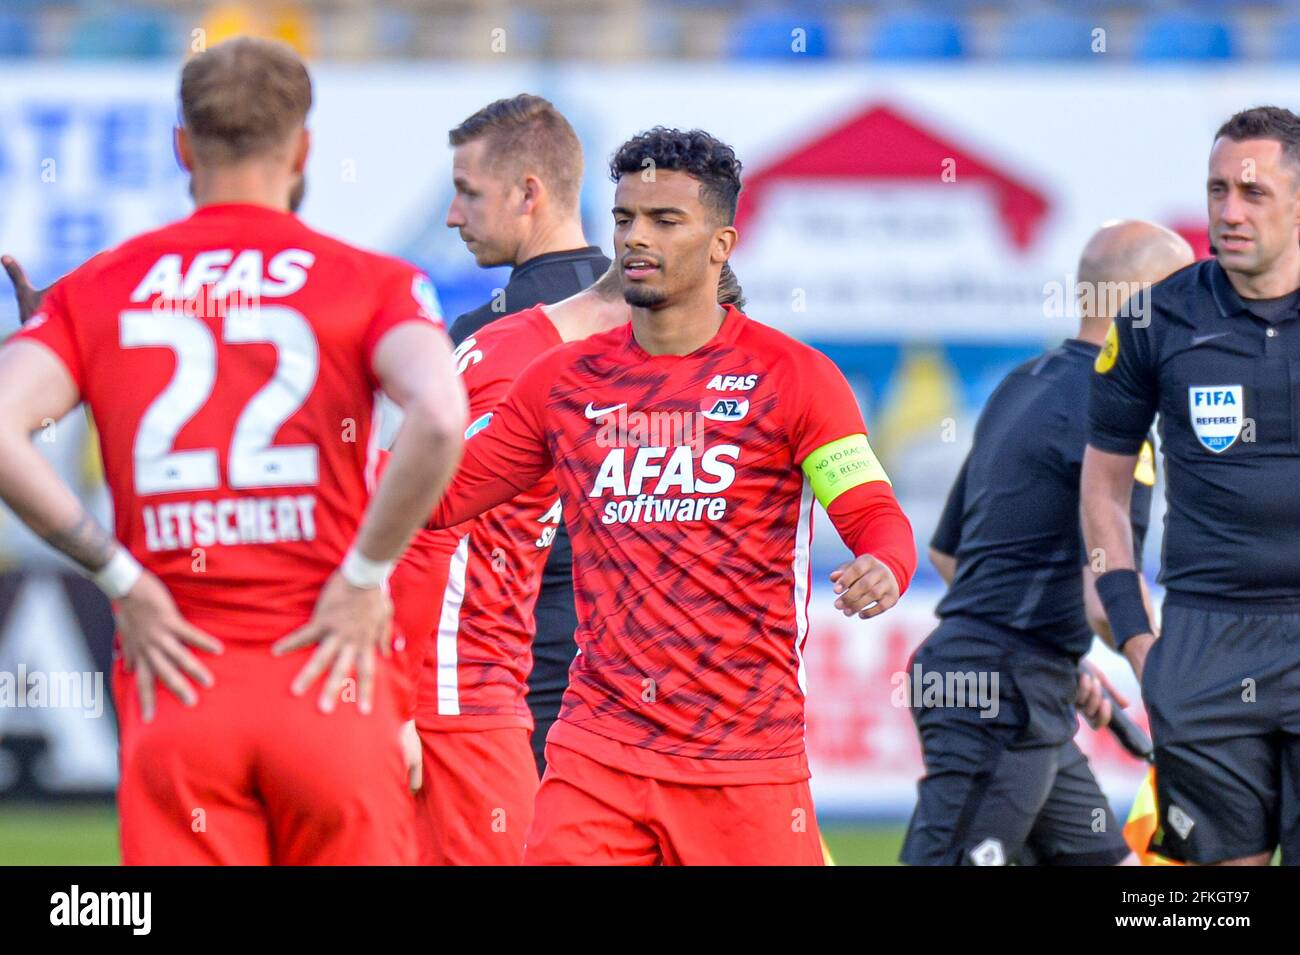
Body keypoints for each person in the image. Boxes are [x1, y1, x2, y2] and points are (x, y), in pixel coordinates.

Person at [0, 37, 466, 864]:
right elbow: (437, 415)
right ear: (304, 148)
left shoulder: (100, 289)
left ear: (182, 146)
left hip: (179, 676)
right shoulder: (370, 281)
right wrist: (363, 575)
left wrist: (120, 577)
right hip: (333, 675)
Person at [424, 127, 916, 865]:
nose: (636, 238)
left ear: (722, 244)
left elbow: (873, 511)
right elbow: (441, 497)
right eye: (625, 219)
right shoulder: (560, 383)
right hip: (596, 755)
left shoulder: (795, 378)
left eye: (664, 220)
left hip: (743, 762)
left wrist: (884, 562)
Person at [395, 261, 745, 865]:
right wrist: (393, 704)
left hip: (475, 689)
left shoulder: (524, 349)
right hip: (455, 697)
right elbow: (421, 522)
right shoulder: (521, 369)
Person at [903, 220, 1193, 866]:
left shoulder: (1023, 383)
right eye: (1183, 302)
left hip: (1008, 679)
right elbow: (1107, 598)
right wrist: (1185, 690)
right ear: (1143, 308)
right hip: (1003, 690)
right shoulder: (1116, 414)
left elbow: (950, 554)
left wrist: (1064, 657)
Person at [1085, 106, 1300, 866]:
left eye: (1253, 193)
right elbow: (1104, 486)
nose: (1229, 213)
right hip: (1205, 638)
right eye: (1216, 191)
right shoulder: (1155, 320)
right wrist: (1137, 637)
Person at [442, 94, 611, 774]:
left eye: (466, 193)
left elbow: (441, 519)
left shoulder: (486, 337)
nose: (454, 215)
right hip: (665, 655)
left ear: (528, 193)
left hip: (533, 658)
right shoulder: (667, 316)